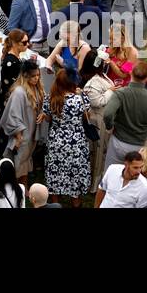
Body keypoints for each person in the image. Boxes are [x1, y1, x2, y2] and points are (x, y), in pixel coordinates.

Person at [44, 69, 90, 206]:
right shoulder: (80, 99)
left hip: (56, 140)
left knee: (54, 170)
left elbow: (47, 119)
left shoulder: (50, 98)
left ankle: (54, 202)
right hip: (76, 141)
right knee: (75, 170)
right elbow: (87, 117)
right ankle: (75, 202)